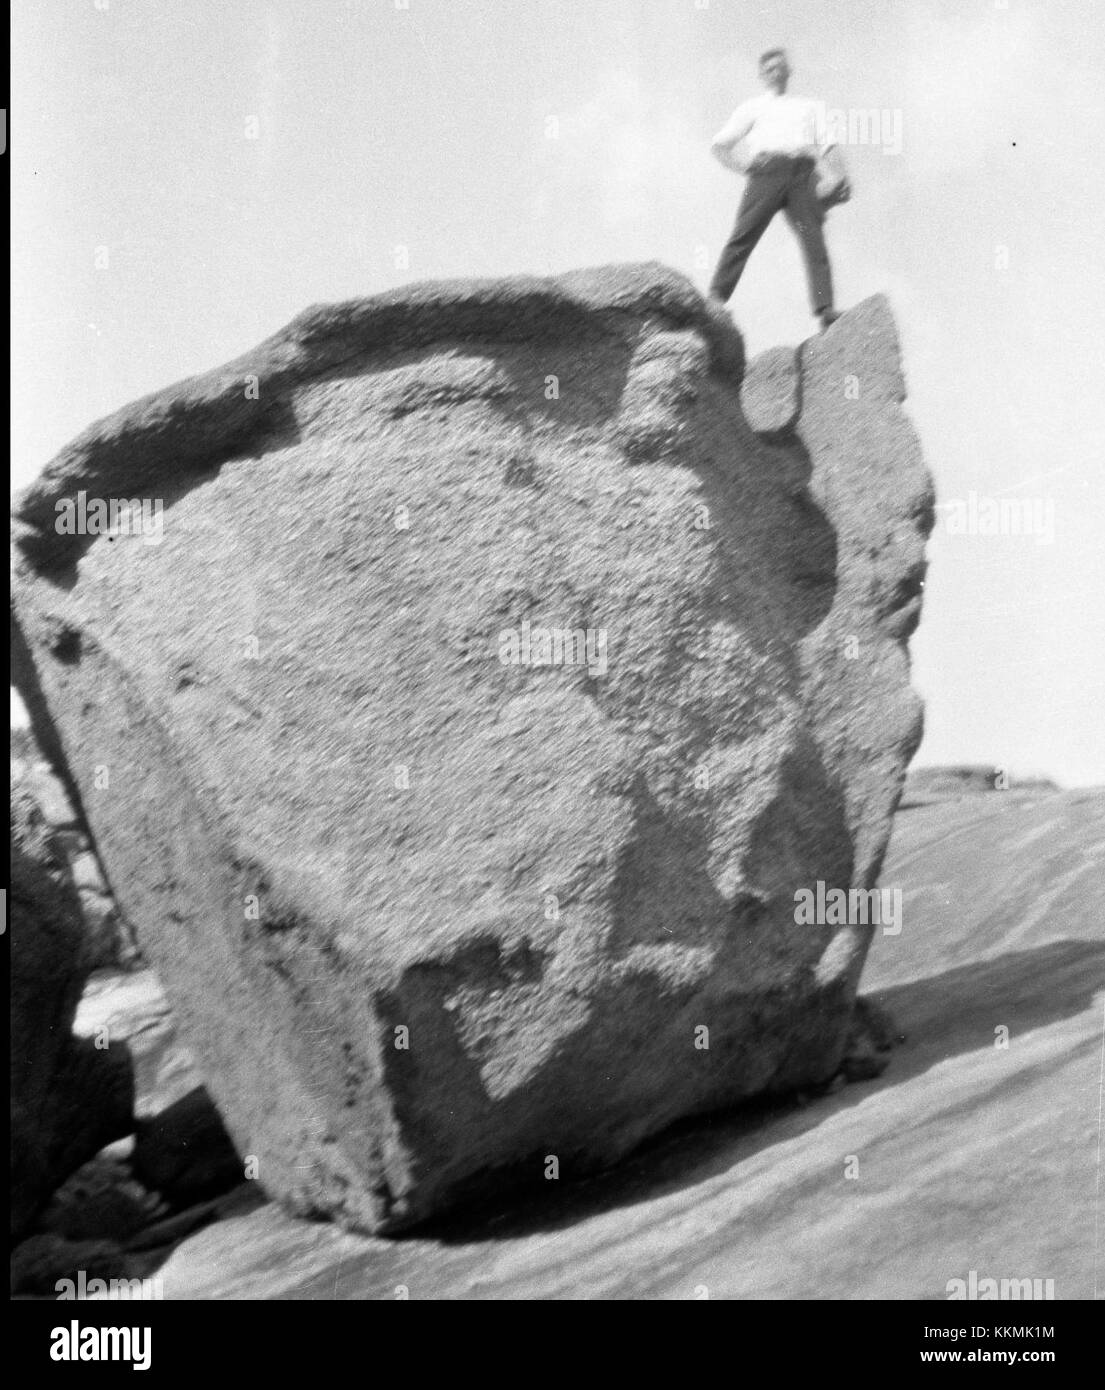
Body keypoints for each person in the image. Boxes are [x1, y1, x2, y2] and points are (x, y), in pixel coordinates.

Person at [708, 48, 844, 331]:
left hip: (802, 174)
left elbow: (829, 144)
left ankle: (826, 309)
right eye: (769, 69)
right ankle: (717, 297)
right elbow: (719, 146)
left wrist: (839, 177)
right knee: (744, 233)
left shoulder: (810, 106)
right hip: (765, 172)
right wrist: (746, 168)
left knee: (814, 239)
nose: (775, 72)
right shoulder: (752, 107)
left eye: (780, 67)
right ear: (761, 75)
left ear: (788, 71)